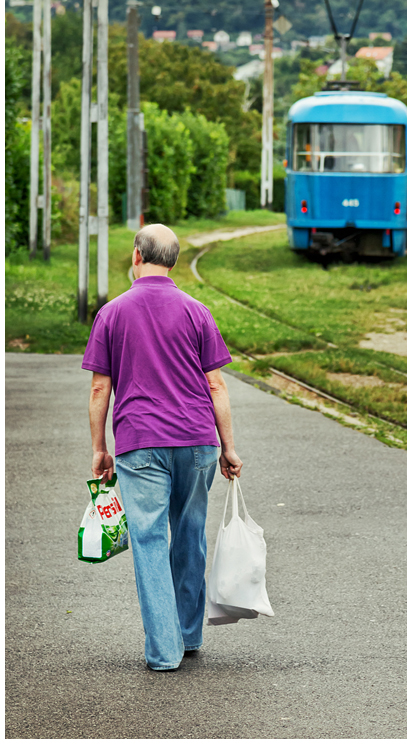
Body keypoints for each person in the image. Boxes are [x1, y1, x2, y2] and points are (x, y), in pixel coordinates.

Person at [82, 223, 243, 671]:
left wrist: (100, 448)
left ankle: (164, 651)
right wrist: (228, 446)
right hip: (197, 442)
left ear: (137, 256)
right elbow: (216, 385)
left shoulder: (112, 313)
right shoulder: (197, 311)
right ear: (172, 261)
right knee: (190, 535)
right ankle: (189, 636)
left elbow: (100, 390)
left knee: (149, 541)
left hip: (139, 443)